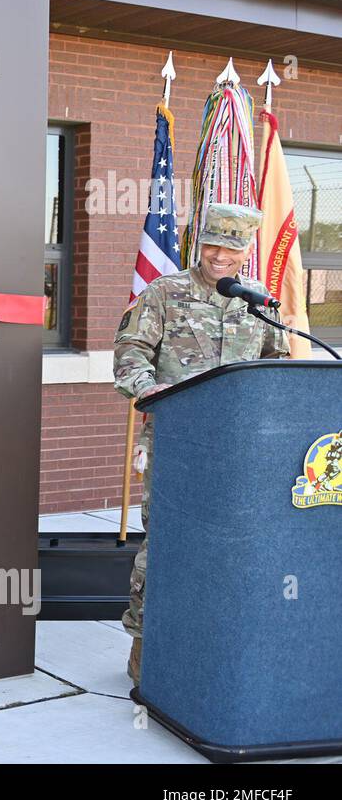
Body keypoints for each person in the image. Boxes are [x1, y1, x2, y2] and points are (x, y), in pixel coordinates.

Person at [114, 202, 289, 683]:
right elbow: (130, 352)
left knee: (228, 548)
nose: (220, 256)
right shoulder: (165, 293)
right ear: (199, 241)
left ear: (245, 250)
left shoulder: (258, 300)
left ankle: (207, 642)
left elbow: (278, 366)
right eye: (213, 244)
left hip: (240, 452)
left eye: (232, 248)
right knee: (167, 543)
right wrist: (148, 388)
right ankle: (144, 642)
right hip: (178, 443)